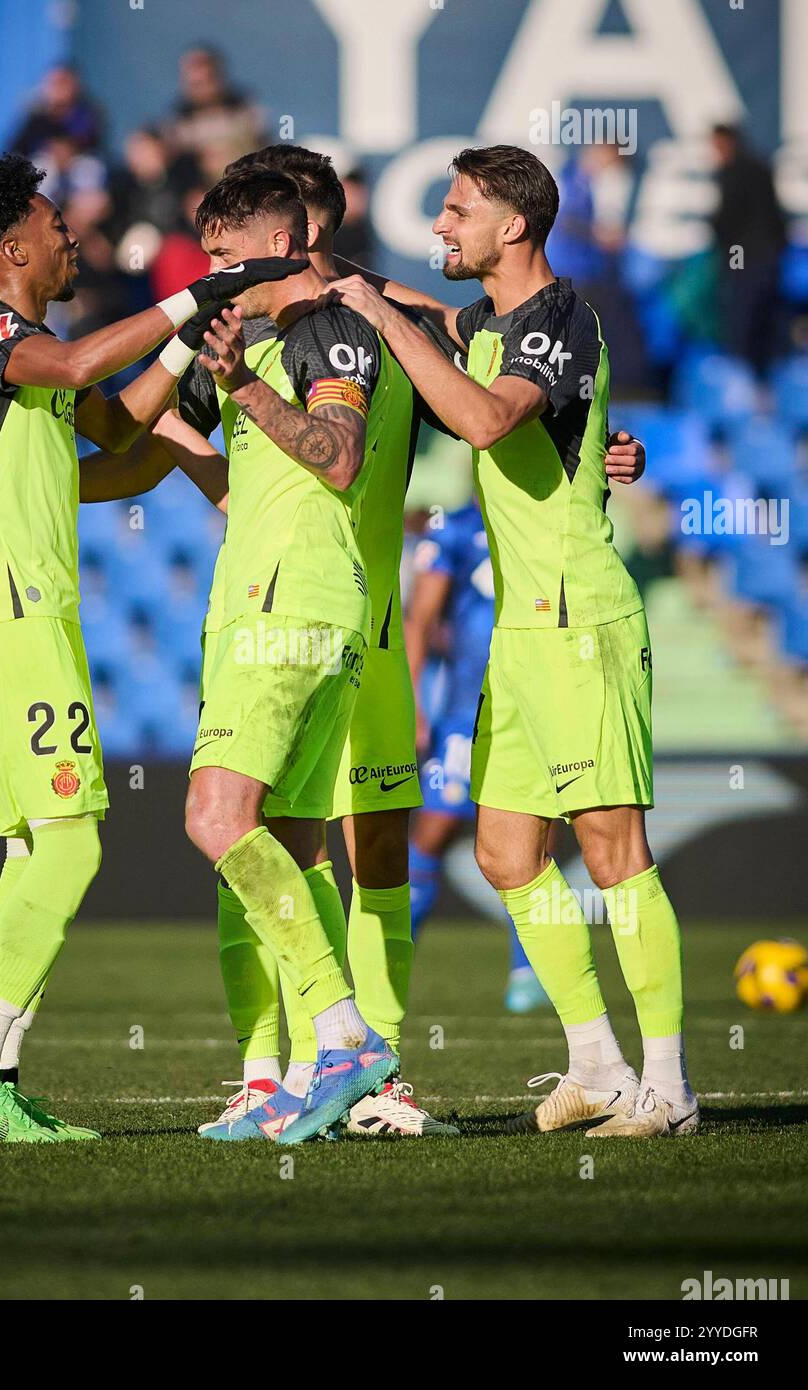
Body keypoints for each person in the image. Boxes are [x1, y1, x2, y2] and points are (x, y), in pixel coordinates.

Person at [178, 146, 645, 1139]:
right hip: (288, 610)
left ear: (310, 231)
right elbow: (157, 432)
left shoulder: (379, 329)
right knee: (264, 832)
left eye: (293, 232)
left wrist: (598, 444)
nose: (277, 256)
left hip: (371, 625)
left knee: (372, 853)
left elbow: (501, 405)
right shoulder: (246, 333)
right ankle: (267, 1069)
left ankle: (375, 1071)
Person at [0, 151, 307, 1144]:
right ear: (10, 247)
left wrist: (192, 345)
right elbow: (85, 368)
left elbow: (125, 442)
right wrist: (203, 291)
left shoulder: (28, 355)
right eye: (52, 221)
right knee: (73, 838)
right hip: (9, 612)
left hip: (22, 613)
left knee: (31, 849)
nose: (69, 233)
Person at [330, 144, 696, 1139]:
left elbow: (487, 420)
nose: (439, 226)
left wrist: (380, 323)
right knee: (501, 851)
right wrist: (336, 279)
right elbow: (428, 312)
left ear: (512, 227)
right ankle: (597, 1063)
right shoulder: (489, 319)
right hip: (522, 634)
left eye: (455, 211)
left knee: (614, 852)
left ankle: (667, 1089)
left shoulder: (558, 319)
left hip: (581, 618)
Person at [169, 167, 416, 1144]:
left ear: (281, 243)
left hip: (291, 606)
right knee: (295, 842)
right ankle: (301, 1070)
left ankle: (345, 1037)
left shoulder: (325, 326)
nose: (216, 280)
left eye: (228, 261)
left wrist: (232, 387)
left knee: (214, 815)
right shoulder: (263, 342)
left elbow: (339, 453)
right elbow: (245, 481)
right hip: (305, 604)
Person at [406, 499, 550, 1014]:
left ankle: (527, 972)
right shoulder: (457, 528)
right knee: (434, 827)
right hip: (463, 716)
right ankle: (393, 958)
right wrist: (415, 706)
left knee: (529, 838)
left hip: (528, 709)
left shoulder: (542, 519)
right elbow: (419, 620)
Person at [709, 123, 787, 382]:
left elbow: (727, 222)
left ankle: (745, 387)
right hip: (768, 258)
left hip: (746, 260)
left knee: (743, 322)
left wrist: (731, 262)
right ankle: (765, 386)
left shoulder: (732, 173)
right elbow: (777, 220)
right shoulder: (761, 168)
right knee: (766, 324)